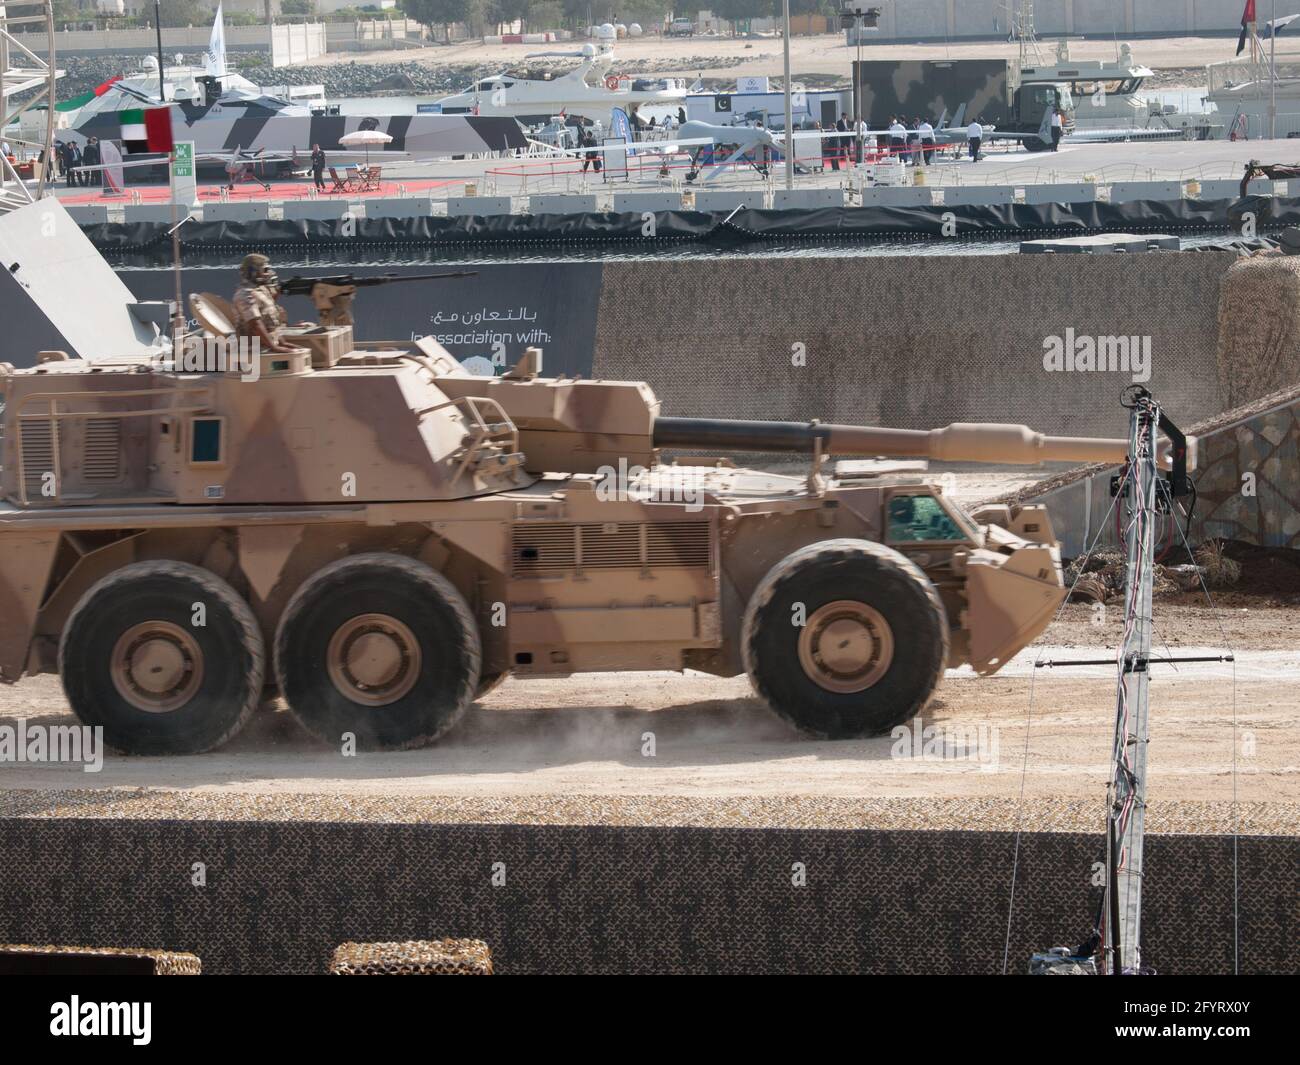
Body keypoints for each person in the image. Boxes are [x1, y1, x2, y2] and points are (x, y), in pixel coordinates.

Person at [232, 254, 299, 355]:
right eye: (265, 270)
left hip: (266, 345)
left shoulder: (262, 291)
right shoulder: (244, 294)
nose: (269, 273)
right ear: (254, 272)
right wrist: (274, 347)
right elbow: (255, 325)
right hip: (254, 350)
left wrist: (281, 343)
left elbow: (270, 322)